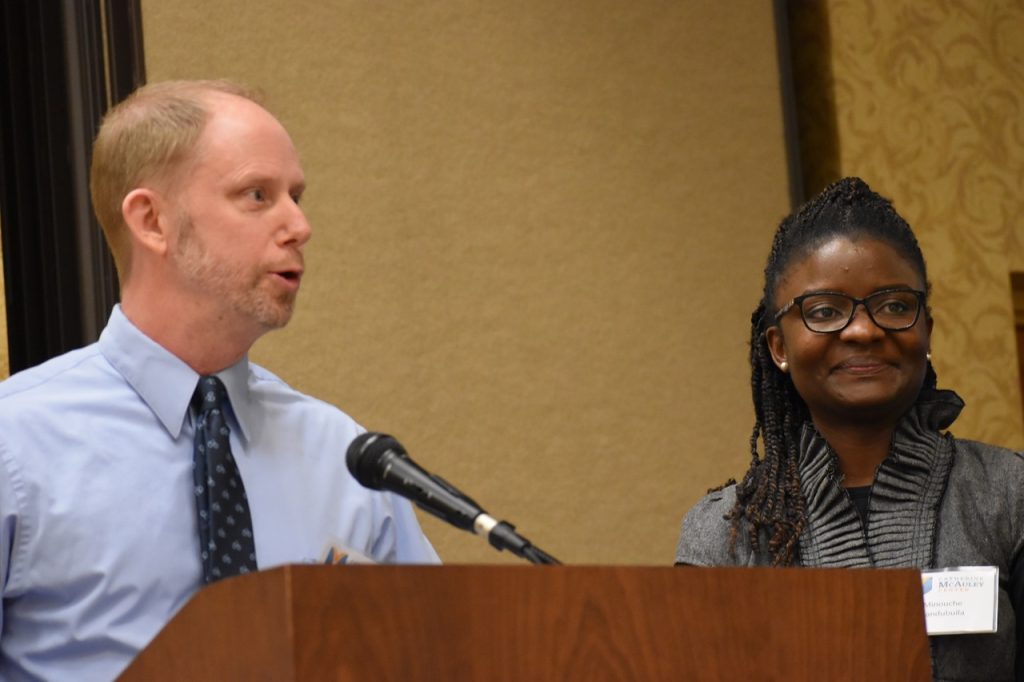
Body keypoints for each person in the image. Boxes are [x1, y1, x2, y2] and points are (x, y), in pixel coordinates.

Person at [0, 80, 439, 680]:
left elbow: (442, 653)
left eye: (297, 196)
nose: (299, 225)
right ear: (151, 220)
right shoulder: (15, 445)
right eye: (258, 195)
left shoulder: (348, 457)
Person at [676, 177, 1024, 681]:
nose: (863, 329)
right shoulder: (721, 534)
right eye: (824, 311)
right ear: (778, 347)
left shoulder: (1009, 497)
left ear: (926, 328)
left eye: (895, 305)